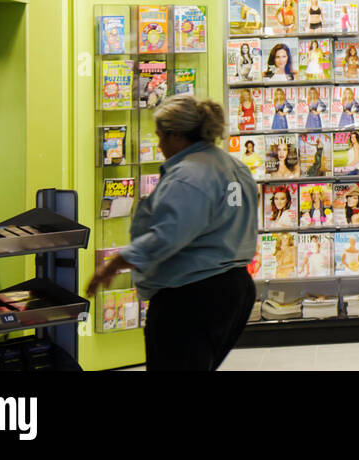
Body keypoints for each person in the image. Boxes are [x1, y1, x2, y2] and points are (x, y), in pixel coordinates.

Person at [87, 95, 258, 371]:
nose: (159, 145)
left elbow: (168, 236)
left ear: (177, 135)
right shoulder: (233, 166)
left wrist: (115, 264)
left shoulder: (189, 175)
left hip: (191, 295)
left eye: (161, 137)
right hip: (234, 289)